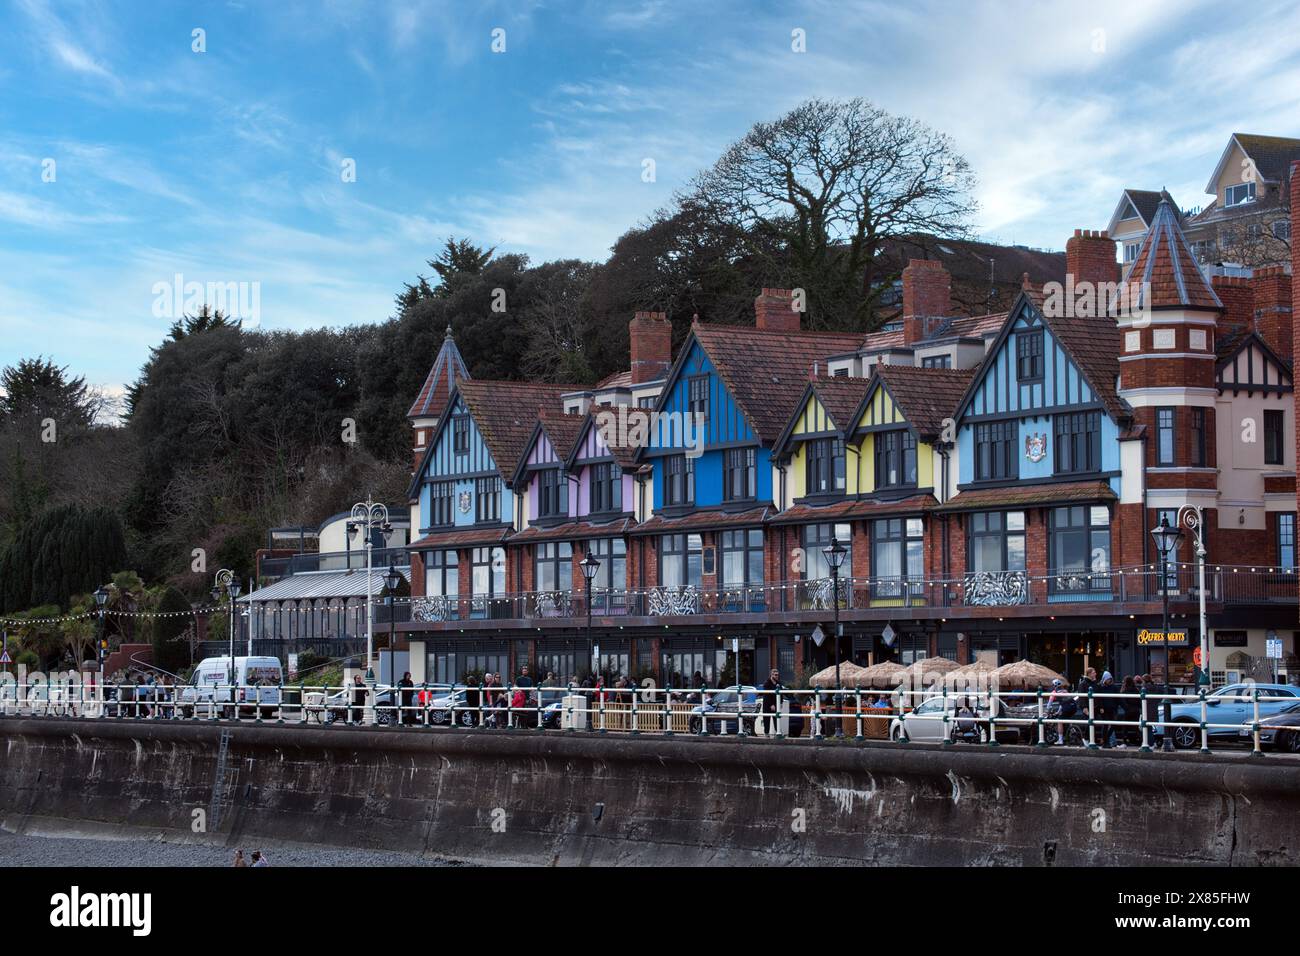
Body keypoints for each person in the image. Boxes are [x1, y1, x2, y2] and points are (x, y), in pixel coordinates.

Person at [1095, 671, 1117, 747]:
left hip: (1112, 708)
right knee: (1105, 725)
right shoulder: (1100, 687)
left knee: (1114, 724)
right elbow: (1099, 698)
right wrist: (1101, 707)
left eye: (1110, 679)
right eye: (1108, 679)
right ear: (1104, 679)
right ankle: (1105, 742)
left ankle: (1106, 739)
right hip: (1104, 709)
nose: (1109, 680)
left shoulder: (1113, 687)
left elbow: (1118, 698)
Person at [760, 668, 783, 736]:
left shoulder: (779, 683)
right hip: (768, 704)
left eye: (778, 675)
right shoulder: (767, 683)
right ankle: (766, 733)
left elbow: (781, 693)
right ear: (771, 675)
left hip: (776, 703)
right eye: (775, 675)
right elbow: (767, 695)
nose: (777, 676)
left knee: (776, 718)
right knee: (766, 719)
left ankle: (778, 732)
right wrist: (771, 705)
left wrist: (780, 702)